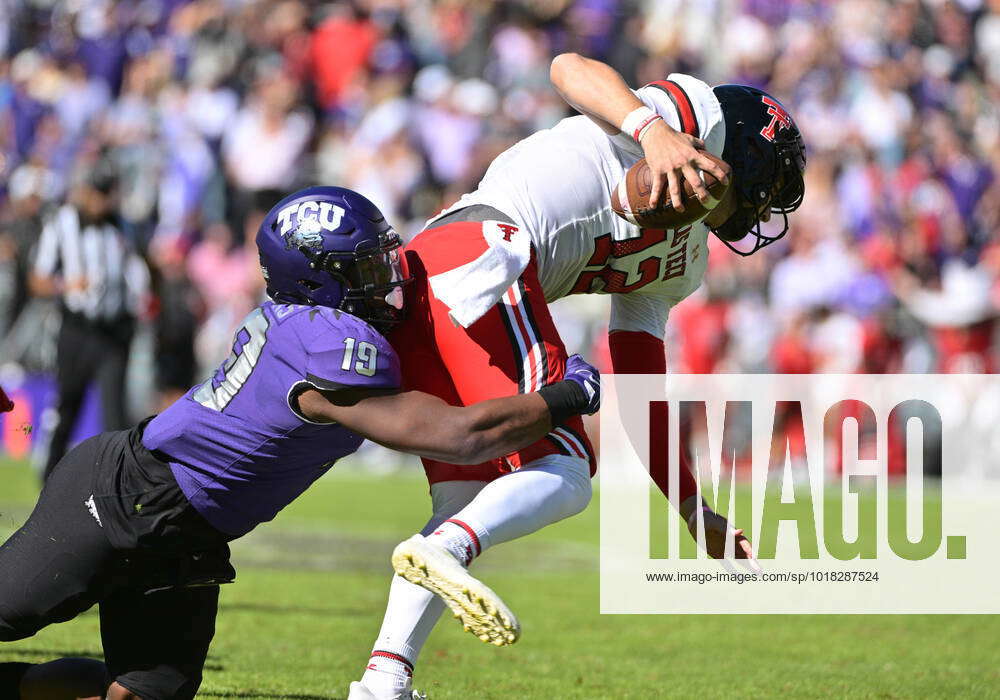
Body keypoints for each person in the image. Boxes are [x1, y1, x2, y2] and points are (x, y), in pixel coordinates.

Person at [0, 187, 601, 700]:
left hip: (190, 532)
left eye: (386, 259)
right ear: (317, 281)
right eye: (368, 271)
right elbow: (457, 437)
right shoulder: (326, 342)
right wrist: (568, 394)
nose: (390, 279)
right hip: (125, 496)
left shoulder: (316, 326)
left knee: (147, 692)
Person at [350, 53, 805, 700]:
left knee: (465, 497)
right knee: (565, 469)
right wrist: (650, 129)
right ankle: (450, 551)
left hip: (441, 278)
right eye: (771, 182)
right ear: (749, 156)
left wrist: (687, 505)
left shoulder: (687, 258)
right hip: (484, 253)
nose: (765, 205)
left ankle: (383, 681)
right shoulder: (694, 117)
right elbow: (566, 67)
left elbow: (642, 377)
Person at [29, 158, 150, 480]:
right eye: (95, 193)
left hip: (113, 332)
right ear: (84, 191)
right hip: (76, 330)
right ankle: (50, 480)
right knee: (67, 404)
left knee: (115, 414)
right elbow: (37, 280)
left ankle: (117, 484)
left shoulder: (121, 226)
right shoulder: (62, 223)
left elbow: (135, 272)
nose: (100, 201)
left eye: (106, 193)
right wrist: (65, 285)